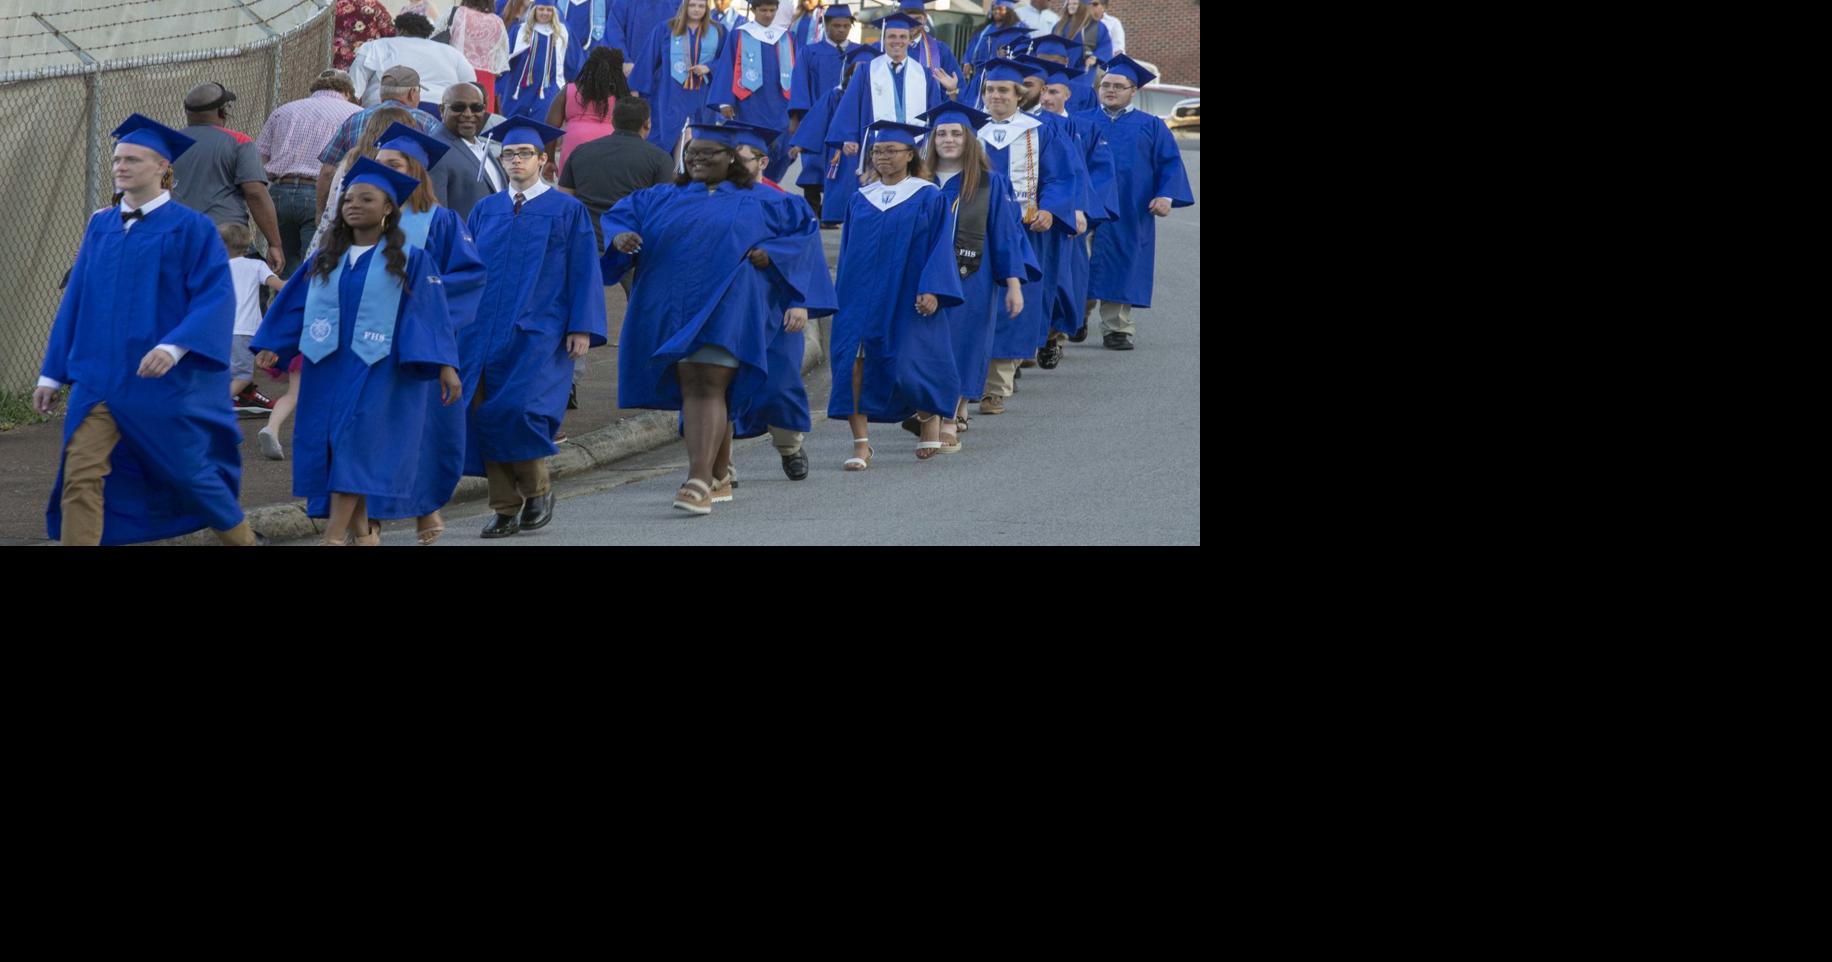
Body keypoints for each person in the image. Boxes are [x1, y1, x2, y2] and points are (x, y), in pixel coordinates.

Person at [35, 115, 257, 546]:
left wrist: (174, 347)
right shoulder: (100, 225)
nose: (121, 166)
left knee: (192, 476)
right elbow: (75, 300)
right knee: (80, 477)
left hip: (162, 384)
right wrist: (51, 373)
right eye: (118, 159)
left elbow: (214, 297)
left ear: (162, 167)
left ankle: (244, 541)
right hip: (98, 377)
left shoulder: (192, 228)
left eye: (133, 159)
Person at [602, 121, 835, 511]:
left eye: (708, 152)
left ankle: (697, 480)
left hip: (730, 309)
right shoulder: (659, 198)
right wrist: (620, 238)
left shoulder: (769, 201)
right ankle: (720, 473)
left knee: (704, 382)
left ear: (732, 157)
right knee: (708, 389)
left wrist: (772, 254)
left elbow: (802, 236)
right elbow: (621, 217)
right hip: (672, 311)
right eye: (692, 151)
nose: (696, 158)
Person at [252, 158, 462, 546]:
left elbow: (430, 316)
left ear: (387, 209)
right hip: (327, 368)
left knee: (354, 446)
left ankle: (333, 538)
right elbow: (294, 305)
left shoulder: (412, 260)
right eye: (349, 199)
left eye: (367, 199)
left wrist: (446, 366)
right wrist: (272, 345)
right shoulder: (324, 260)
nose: (354, 205)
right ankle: (363, 536)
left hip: (379, 369)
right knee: (338, 447)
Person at [464, 117, 608, 537]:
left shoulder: (567, 209)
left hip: (540, 329)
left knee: (520, 410)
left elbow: (583, 271)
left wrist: (582, 326)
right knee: (485, 413)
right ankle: (505, 507)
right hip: (483, 330)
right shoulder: (485, 209)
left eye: (524, 154)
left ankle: (538, 488)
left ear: (544, 160)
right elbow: (469, 272)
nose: (515, 160)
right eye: (508, 154)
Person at [827, 119, 963, 467]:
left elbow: (939, 247)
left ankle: (928, 418)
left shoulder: (928, 195)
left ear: (909, 155)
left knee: (907, 362)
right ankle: (861, 446)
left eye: (891, 151)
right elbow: (846, 251)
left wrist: (933, 288)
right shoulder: (861, 198)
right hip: (858, 295)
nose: (883, 157)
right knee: (852, 366)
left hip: (906, 292)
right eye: (877, 152)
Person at [919, 102, 1037, 450]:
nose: (949, 139)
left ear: (970, 140)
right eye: (941, 133)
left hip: (973, 277)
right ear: (932, 139)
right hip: (924, 280)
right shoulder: (918, 182)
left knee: (965, 345)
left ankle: (954, 415)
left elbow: (1006, 235)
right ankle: (930, 414)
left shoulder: (989, 183)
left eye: (956, 133)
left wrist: (1014, 284)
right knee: (926, 347)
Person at [971, 58, 1076, 414]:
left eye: (1003, 90)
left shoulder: (1040, 130)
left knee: (1015, 302)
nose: (996, 96)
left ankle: (996, 386)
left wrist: (1049, 210)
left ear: (1019, 96)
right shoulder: (971, 130)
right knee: (976, 301)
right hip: (974, 231)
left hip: (1025, 230)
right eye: (990, 90)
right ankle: (973, 378)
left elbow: (1060, 177)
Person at [727, 123, 825, 479]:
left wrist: (801, 301)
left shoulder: (785, 203)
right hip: (728, 312)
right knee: (722, 384)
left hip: (776, 308)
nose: (733, 165)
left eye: (741, 158)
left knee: (781, 383)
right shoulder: (711, 199)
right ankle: (721, 463)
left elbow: (806, 253)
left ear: (763, 161)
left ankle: (789, 445)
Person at [1076, 54, 1193, 350]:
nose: (1110, 90)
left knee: (1122, 263)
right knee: (1078, 263)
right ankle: (1074, 317)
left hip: (1131, 208)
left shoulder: (1150, 125)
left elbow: (1169, 164)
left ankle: (1117, 327)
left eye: (1118, 86)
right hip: (1084, 207)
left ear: (1133, 90)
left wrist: (1165, 195)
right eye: (1106, 85)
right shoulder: (1081, 121)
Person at [1038, 56, 1116, 352]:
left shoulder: (1080, 128)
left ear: (1068, 94)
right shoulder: (1028, 125)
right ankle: (1036, 340)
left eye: (1054, 91)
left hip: (1066, 213)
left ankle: (1055, 332)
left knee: (1066, 278)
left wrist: (1081, 209)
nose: (1047, 97)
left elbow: (1081, 173)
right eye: (1043, 90)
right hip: (1036, 213)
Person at [171, 83, 285, 275]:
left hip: (179, 239)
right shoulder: (239, 141)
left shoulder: (169, 142)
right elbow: (255, 192)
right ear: (222, 112)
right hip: (225, 241)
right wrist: (275, 244)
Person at [258, 71, 363, 278]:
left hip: (279, 191)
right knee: (313, 264)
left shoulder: (283, 111)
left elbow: (260, 158)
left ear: (314, 89)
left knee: (283, 263)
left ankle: (282, 304)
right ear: (346, 92)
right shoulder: (355, 114)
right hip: (320, 192)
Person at [316, 66, 442, 221]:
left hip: (356, 210)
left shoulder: (354, 119)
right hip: (409, 211)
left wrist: (321, 212)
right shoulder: (428, 122)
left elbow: (328, 170)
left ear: (382, 93)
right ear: (412, 93)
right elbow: (439, 170)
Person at [558, 95, 674, 251]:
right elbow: (662, 211)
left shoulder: (581, 151)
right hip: (629, 250)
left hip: (583, 244)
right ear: (647, 124)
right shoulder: (660, 159)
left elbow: (565, 202)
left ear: (612, 121)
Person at [828, 13, 952, 160]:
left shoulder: (923, 73)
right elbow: (851, 105)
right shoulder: (866, 71)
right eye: (892, 36)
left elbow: (934, 110)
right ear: (884, 39)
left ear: (909, 39)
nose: (897, 41)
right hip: (876, 147)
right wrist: (848, 137)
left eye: (902, 37)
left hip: (916, 147)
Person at [705, 0, 797, 182]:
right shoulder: (740, 34)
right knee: (749, 150)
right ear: (754, 10)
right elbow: (727, 67)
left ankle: (770, 186)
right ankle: (749, 184)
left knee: (780, 153)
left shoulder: (787, 37)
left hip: (781, 104)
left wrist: (797, 111)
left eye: (772, 10)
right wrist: (725, 101)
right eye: (763, 10)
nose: (768, 14)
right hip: (749, 104)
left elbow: (797, 74)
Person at [788, 42, 878, 226]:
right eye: (856, 71)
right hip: (842, 154)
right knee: (837, 188)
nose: (861, 76)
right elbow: (816, 120)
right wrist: (800, 145)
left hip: (869, 154)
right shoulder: (835, 95)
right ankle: (826, 217)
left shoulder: (879, 98)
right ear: (848, 72)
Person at [785, 4, 858, 215]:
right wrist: (797, 118)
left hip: (847, 119)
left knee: (842, 165)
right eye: (836, 25)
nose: (841, 30)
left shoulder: (858, 52)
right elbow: (800, 84)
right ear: (825, 25)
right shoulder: (810, 52)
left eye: (845, 26)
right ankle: (812, 210)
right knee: (813, 162)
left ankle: (832, 211)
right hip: (815, 117)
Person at [630, 0, 729, 151]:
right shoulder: (665, 28)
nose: (696, 10)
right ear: (685, 6)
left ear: (707, 8)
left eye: (701, 6)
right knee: (662, 141)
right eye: (692, 5)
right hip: (669, 95)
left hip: (701, 96)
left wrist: (709, 67)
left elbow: (727, 61)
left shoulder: (718, 31)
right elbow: (648, 59)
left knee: (698, 144)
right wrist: (636, 90)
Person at [349, 11, 479, 109]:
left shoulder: (375, 46)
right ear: (427, 33)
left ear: (399, 30)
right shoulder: (452, 53)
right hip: (440, 111)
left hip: (386, 111)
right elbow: (472, 87)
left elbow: (353, 89)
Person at [220, 222, 284, 416]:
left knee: (226, 371)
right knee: (243, 377)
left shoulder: (216, 267)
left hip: (220, 328)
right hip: (245, 329)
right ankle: (217, 405)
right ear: (248, 245)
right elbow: (280, 286)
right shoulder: (257, 265)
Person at [427, 82, 509, 219]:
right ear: (442, 110)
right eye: (458, 107)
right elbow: (436, 216)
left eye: (476, 108)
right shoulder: (436, 150)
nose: (468, 114)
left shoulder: (481, 145)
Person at [546, 44, 628, 175]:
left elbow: (550, 127)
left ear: (589, 66)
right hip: (610, 150)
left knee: (569, 191)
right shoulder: (621, 96)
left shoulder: (569, 90)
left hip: (574, 148)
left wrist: (549, 160)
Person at [500, 2, 573, 121]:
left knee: (543, 122)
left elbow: (571, 60)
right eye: (541, 9)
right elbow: (505, 58)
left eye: (549, 10)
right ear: (534, 10)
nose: (545, 13)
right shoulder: (520, 30)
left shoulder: (562, 33)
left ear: (554, 12)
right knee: (515, 122)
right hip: (521, 87)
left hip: (547, 87)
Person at [442, 0, 512, 113]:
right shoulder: (497, 21)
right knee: (482, 118)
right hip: (486, 78)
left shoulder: (457, 13)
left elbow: (435, 36)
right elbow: (501, 57)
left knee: (455, 113)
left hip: (456, 73)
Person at [892, 0, 961, 95]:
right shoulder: (884, 49)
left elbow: (959, 89)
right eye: (906, 18)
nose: (912, 23)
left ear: (924, 19)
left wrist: (952, 90)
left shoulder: (941, 51)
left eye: (917, 19)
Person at [960, 22, 1031, 107]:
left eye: (1014, 49)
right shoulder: (983, 76)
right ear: (996, 51)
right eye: (1004, 48)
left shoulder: (1030, 77)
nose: (1008, 53)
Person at [334, 0, 397, 71]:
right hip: (369, 64)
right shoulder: (372, 4)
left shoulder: (331, 7)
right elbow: (391, 33)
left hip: (339, 67)